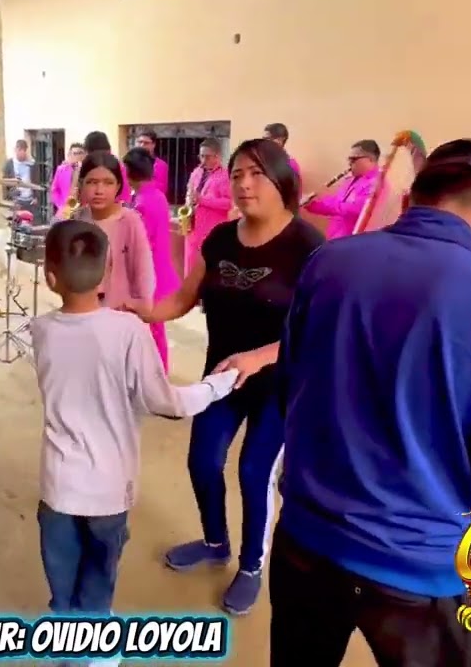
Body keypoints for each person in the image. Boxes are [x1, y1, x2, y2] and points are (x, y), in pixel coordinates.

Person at [270, 138, 471, 667]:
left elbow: (290, 384)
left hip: (307, 541)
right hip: (424, 565)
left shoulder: (329, 262)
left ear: (409, 197)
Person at [126, 138, 324, 615]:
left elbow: (321, 330)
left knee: (255, 472)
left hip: (279, 383)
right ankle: (216, 543)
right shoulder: (219, 240)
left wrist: (259, 357)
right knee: (201, 461)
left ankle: (252, 565)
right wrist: (141, 310)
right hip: (220, 377)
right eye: (236, 174)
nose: (243, 183)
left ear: (283, 181)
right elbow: (184, 299)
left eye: (256, 173)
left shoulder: (309, 247)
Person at [29, 219, 237, 622]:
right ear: (108, 270)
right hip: (108, 487)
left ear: (49, 276)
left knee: (61, 569)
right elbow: (166, 402)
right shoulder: (127, 331)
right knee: (100, 570)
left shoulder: (41, 330)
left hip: (58, 483)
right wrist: (216, 385)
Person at [74, 152, 154, 313]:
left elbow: (143, 273)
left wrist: (139, 306)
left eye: (108, 183)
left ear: (118, 186)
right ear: (81, 184)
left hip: (120, 316)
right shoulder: (78, 219)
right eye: (92, 182)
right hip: (84, 315)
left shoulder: (129, 221)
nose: (99, 190)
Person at [123, 147, 179, 370]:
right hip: (158, 270)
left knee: (153, 330)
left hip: (150, 274)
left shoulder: (143, 202)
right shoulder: (155, 196)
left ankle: (157, 375)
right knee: (155, 329)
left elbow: (140, 242)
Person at [302, 139, 381, 239]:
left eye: (353, 159)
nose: (349, 163)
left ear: (370, 159)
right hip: (335, 239)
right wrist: (311, 204)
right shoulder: (350, 179)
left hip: (353, 243)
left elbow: (354, 210)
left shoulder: (376, 184)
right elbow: (336, 206)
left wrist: (324, 197)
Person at [181, 138, 232, 276]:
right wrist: (188, 203)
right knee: (190, 270)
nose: (203, 160)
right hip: (193, 229)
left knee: (209, 271)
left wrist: (202, 200)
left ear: (217, 156)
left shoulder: (225, 175)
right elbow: (189, 193)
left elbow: (229, 203)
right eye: (201, 156)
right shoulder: (196, 172)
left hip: (211, 231)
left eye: (207, 156)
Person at [49, 142, 86, 217]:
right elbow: (54, 190)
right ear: (69, 155)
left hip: (83, 211)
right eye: (75, 153)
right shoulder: (61, 170)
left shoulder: (88, 171)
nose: (78, 156)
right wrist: (60, 205)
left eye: (80, 153)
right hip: (67, 208)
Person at [133, 130, 172, 195]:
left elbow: (162, 189)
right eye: (140, 142)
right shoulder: (128, 163)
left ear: (153, 145)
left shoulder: (161, 165)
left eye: (146, 143)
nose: (142, 145)